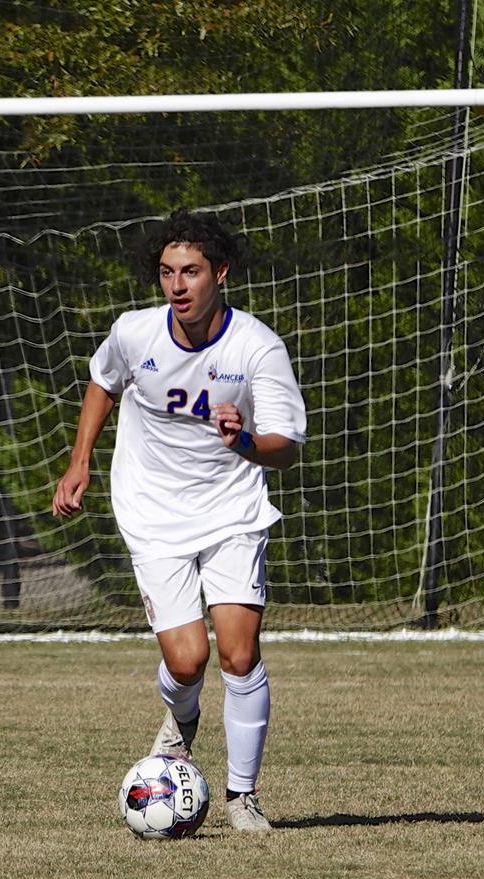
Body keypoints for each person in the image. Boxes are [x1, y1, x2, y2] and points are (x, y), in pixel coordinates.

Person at [51, 209, 306, 832]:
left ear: (220, 273)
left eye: (191, 271)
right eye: (167, 272)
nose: (177, 285)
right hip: (153, 512)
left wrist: (243, 439)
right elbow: (101, 381)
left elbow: (287, 444)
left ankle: (242, 797)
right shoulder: (135, 333)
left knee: (239, 657)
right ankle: (180, 718)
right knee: (188, 660)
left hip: (231, 511)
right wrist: (78, 461)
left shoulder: (255, 346)